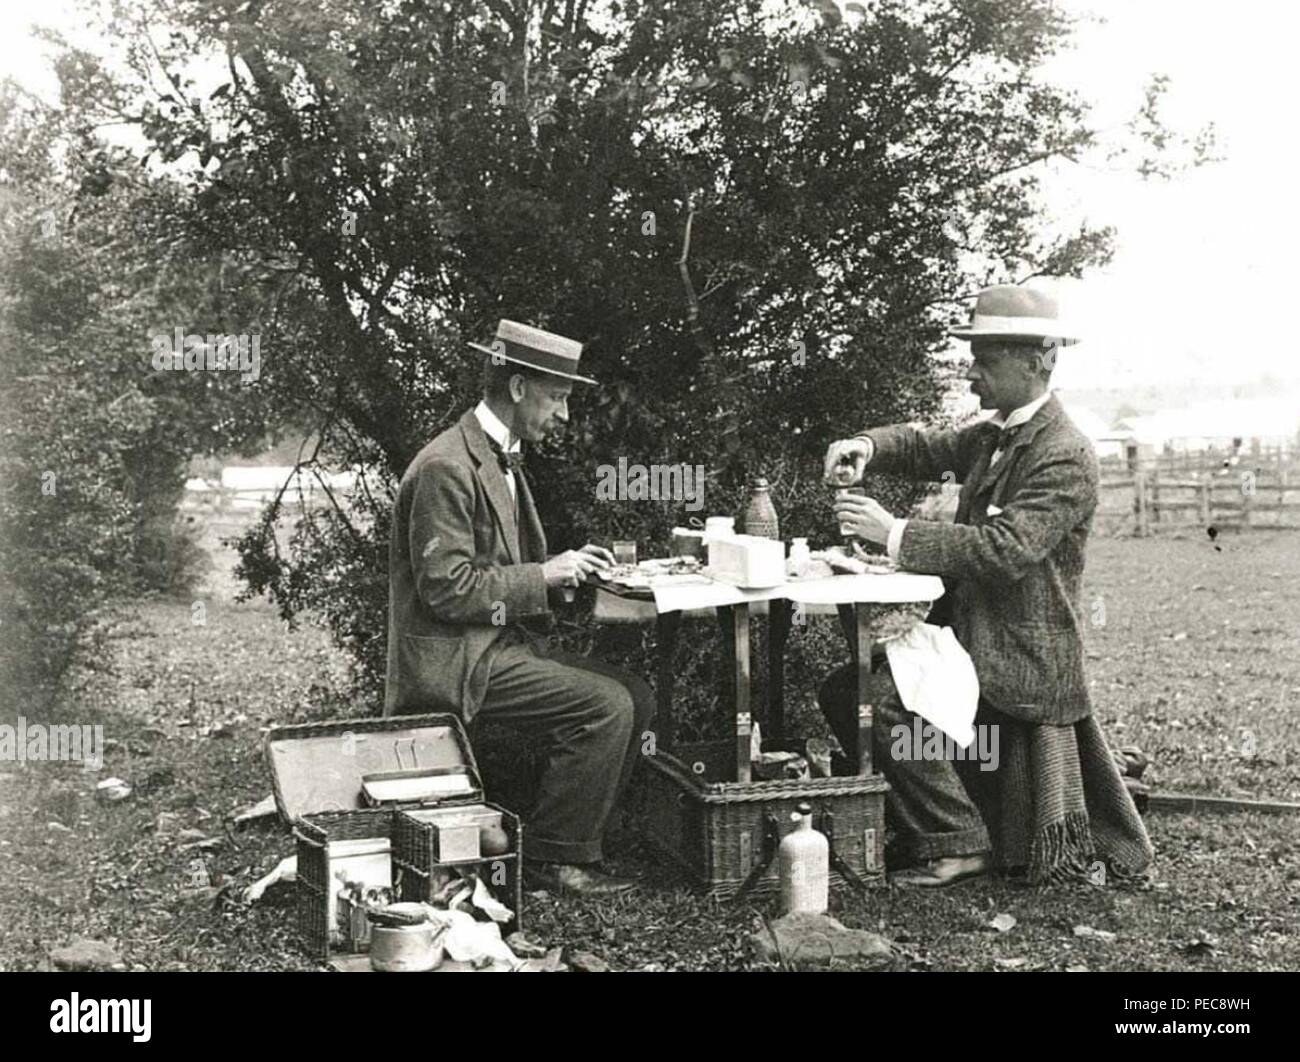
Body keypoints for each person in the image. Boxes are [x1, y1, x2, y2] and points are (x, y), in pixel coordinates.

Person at [820, 284, 1154, 887]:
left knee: (871, 696)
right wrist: (866, 446)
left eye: (985, 360)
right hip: (970, 640)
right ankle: (937, 821)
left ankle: (960, 841)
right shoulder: (994, 435)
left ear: (1039, 360)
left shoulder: (1065, 452)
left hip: (1019, 655)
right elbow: (926, 444)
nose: (971, 373)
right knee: (850, 688)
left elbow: (1008, 551)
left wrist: (892, 531)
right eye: (972, 357)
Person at [384, 319, 653, 895]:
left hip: (493, 646)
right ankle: (553, 860)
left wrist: (564, 569)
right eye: (556, 397)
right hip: (456, 661)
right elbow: (447, 589)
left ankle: (576, 835)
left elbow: (494, 568)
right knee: (606, 705)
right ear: (516, 388)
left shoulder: (497, 455)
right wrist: (543, 574)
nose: (564, 414)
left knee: (637, 694)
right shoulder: (446, 466)